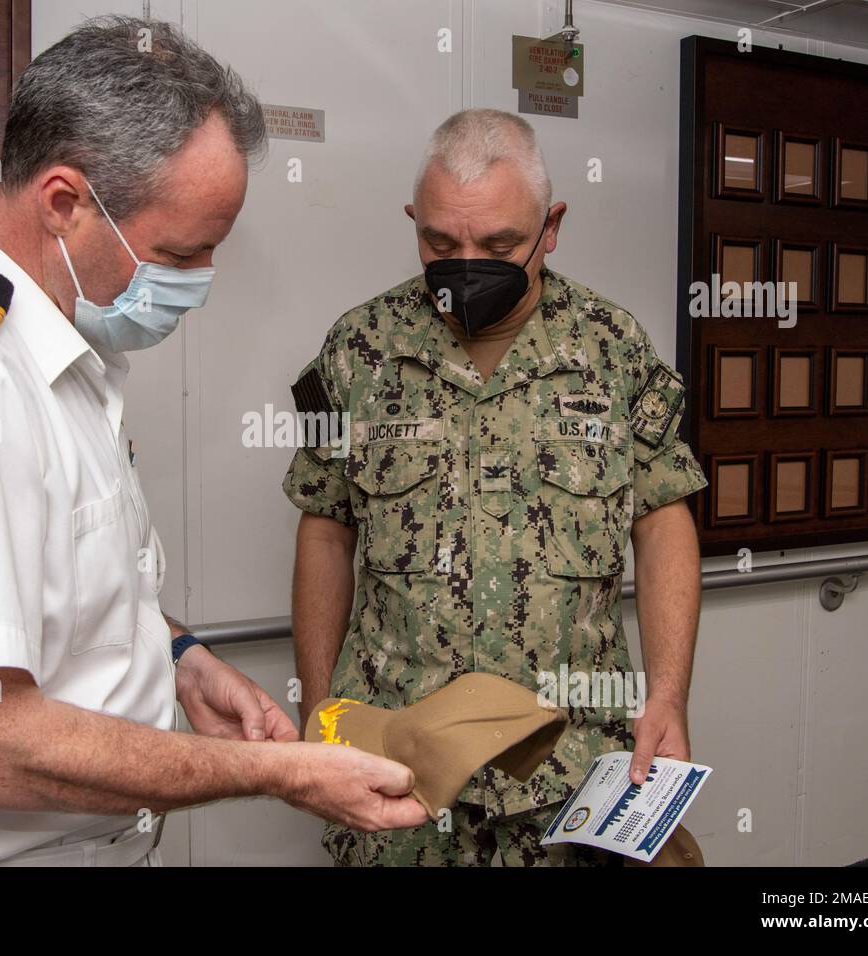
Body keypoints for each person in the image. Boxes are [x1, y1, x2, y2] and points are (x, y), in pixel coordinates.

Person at [0, 16, 426, 867]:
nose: (197, 285)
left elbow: (59, 597)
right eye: (180, 252)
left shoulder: (63, 368)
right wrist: (274, 772)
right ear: (64, 204)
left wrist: (184, 658)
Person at [283, 109, 708, 866]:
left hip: (572, 758)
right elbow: (325, 525)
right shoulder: (354, 351)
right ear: (414, 220)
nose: (466, 262)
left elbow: (662, 516)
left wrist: (668, 695)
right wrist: (322, 709)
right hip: (399, 760)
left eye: (500, 243)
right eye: (440, 243)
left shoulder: (614, 347)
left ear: (552, 226)